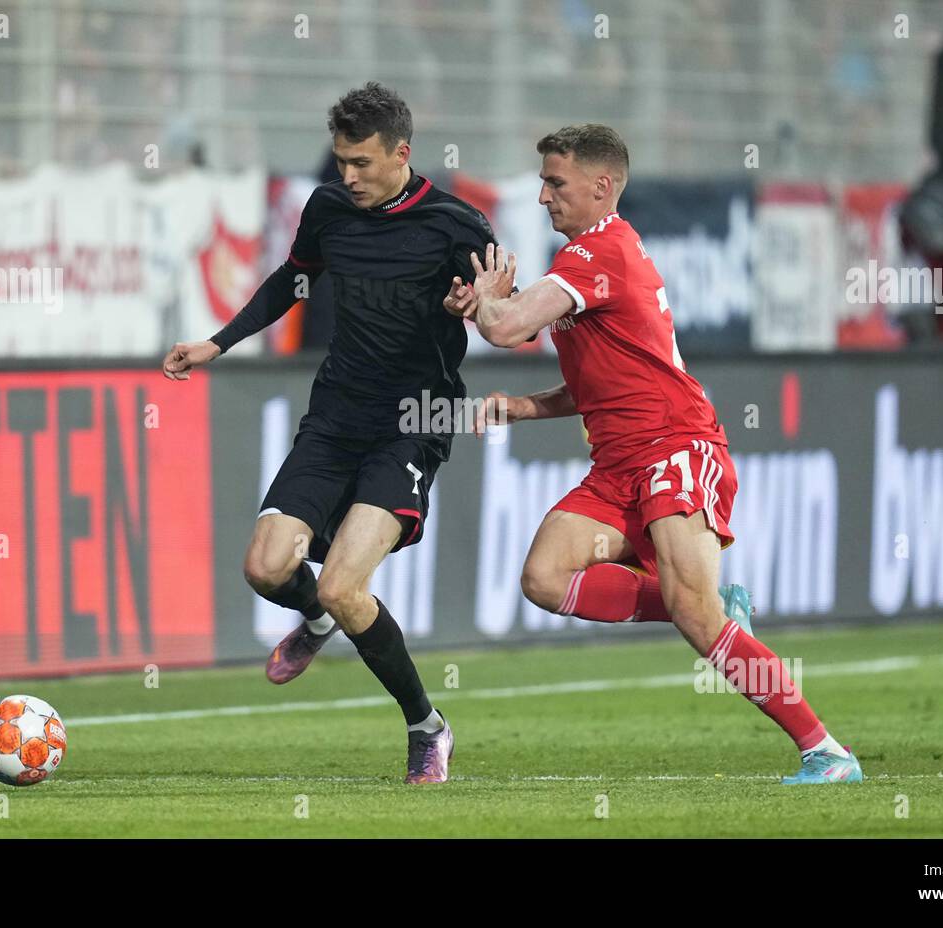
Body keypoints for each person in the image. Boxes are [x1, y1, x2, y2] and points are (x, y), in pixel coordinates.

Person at [450, 124, 862, 784]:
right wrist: (526, 405)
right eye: (542, 183)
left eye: (555, 183)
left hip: (674, 448)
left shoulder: (598, 254)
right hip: (618, 464)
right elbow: (602, 384)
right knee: (546, 578)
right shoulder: (589, 260)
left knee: (697, 618)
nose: (543, 197)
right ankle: (698, 597)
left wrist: (489, 304)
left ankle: (826, 750)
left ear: (600, 186)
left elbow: (506, 328)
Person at [162, 83, 501, 785]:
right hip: (336, 415)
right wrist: (218, 343)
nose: (347, 177)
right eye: (342, 162)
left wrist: (477, 301)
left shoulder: (456, 224)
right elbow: (294, 279)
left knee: (350, 586)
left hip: (411, 424)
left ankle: (427, 728)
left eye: (362, 164)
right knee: (265, 567)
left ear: (401, 154)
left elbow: (500, 302)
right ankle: (313, 616)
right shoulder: (328, 208)